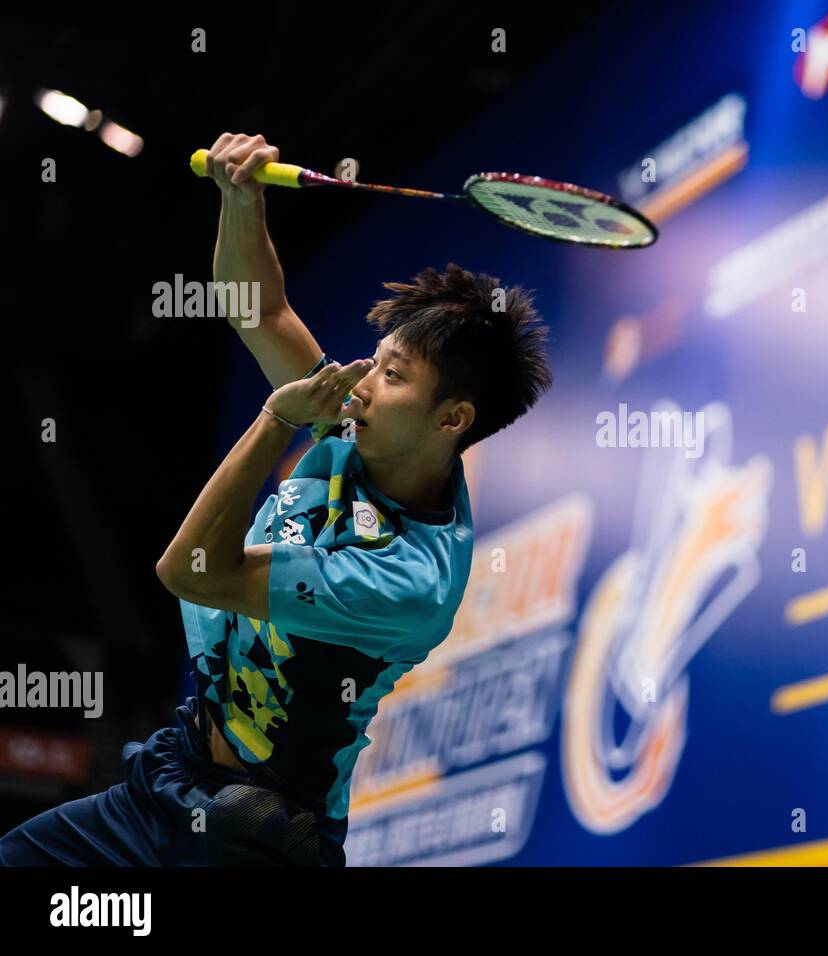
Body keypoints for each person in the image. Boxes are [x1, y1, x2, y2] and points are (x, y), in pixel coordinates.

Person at [0, 133, 553, 866]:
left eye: (392, 376)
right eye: (375, 361)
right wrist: (240, 200)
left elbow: (191, 569)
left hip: (260, 837)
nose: (360, 385)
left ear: (452, 419)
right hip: (169, 775)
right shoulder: (357, 427)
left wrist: (276, 420)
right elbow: (258, 310)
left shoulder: (409, 583)